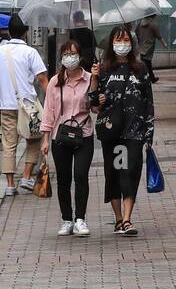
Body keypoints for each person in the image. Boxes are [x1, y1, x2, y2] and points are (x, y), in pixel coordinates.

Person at [91, 25, 155, 236]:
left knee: (131, 172)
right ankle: (118, 219)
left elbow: (148, 102)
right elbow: (93, 105)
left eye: (126, 40)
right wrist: (95, 86)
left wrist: (149, 132)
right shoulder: (103, 69)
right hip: (112, 132)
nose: (122, 44)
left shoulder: (141, 69)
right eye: (118, 40)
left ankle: (127, 219)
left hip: (134, 131)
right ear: (111, 43)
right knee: (114, 174)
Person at [0, 14, 49, 197]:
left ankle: (9, 185)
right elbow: (42, 78)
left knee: (9, 144)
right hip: (28, 105)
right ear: (26, 32)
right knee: (34, 140)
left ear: (8, 31)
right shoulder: (30, 52)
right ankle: (26, 176)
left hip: (6, 105)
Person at [40, 40, 95, 237]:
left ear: (80, 56)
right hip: (60, 136)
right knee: (63, 179)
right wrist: (45, 139)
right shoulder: (56, 81)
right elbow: (49, 111)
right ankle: (66, 219)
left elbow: (96, 107)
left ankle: (80, 218)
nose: (69, 57)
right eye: (66, 54)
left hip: (84, 134)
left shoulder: (90, 78)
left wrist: (96, 86)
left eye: (73, 53)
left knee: (81, 176)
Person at [134, 14, 168, 83]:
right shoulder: (153, 24)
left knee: (145, 62)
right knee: (147, 63)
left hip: (142, 45)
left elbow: (136, 32)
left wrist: (139, 40)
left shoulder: (140, 23)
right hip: (149, 46)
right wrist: (164, 44)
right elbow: (159, 36)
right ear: (153, 15)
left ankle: (148, 77)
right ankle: (149, 78)